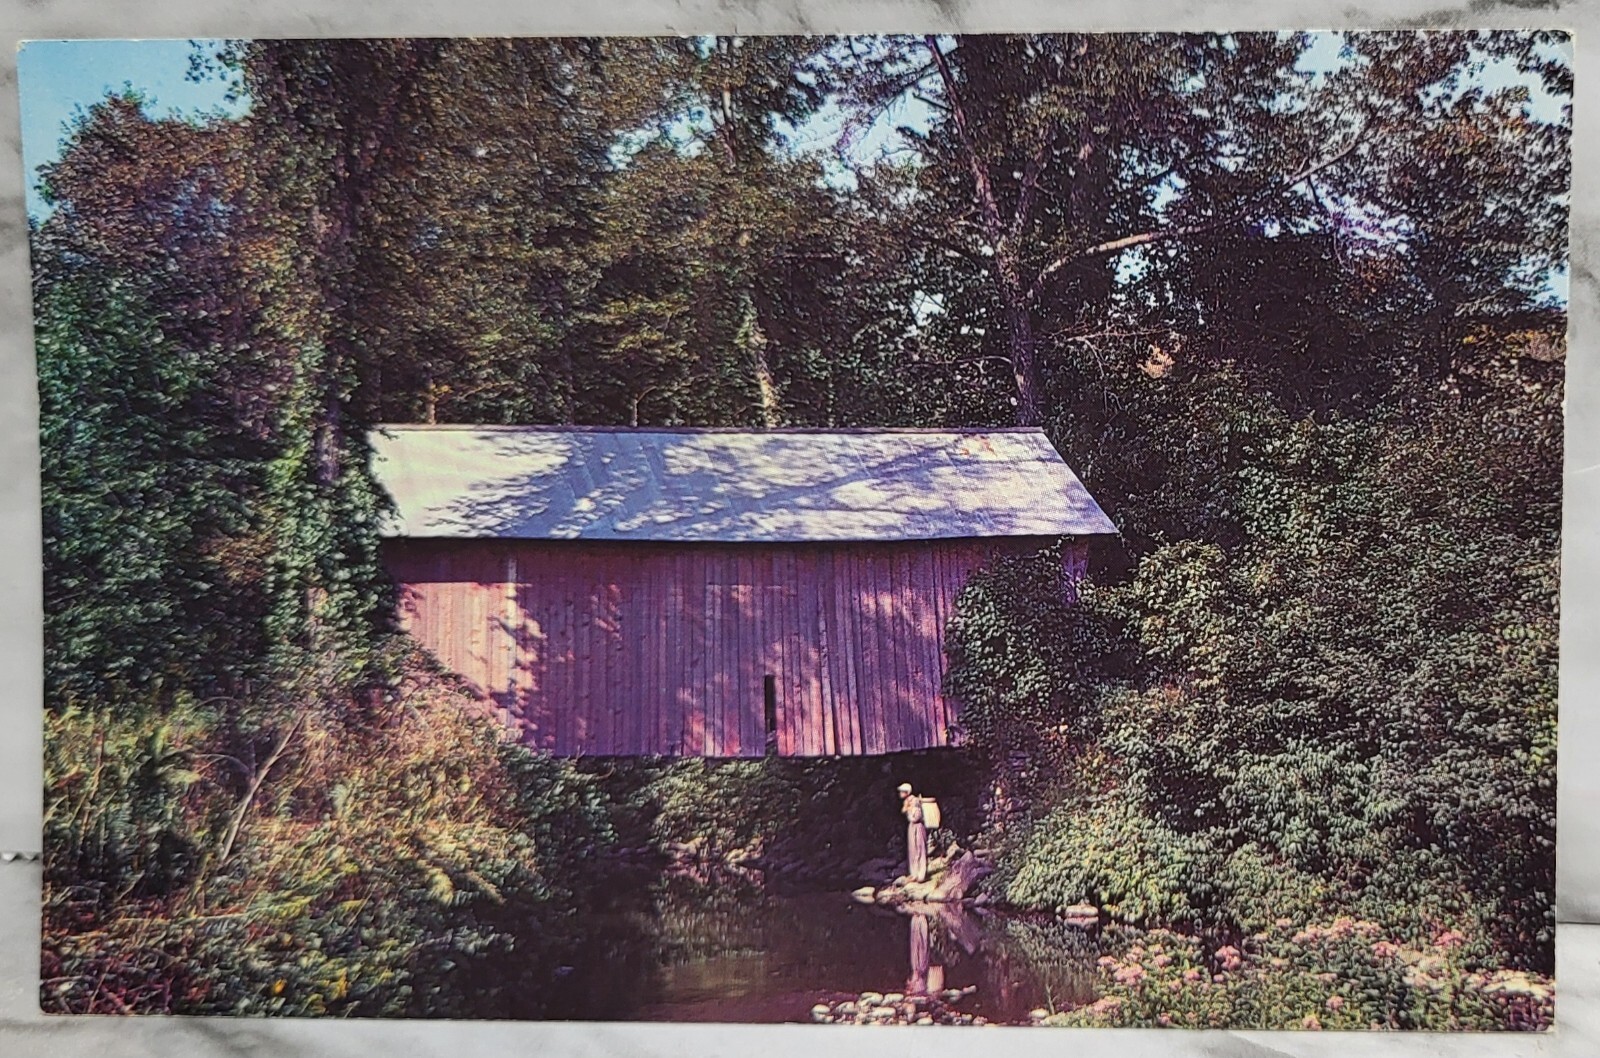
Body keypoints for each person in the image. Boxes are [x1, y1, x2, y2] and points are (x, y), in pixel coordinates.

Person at [898, 781, 928, 883]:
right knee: (912, 850)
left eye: (902, 792)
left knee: (920, 848)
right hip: (912, 827)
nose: (900, 794)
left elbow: (916, 816)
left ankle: (921, 874)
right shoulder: (907, 801)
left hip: (918, 826)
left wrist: (909, 811)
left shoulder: (914, 801)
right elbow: (904, 811)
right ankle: (914, 873)